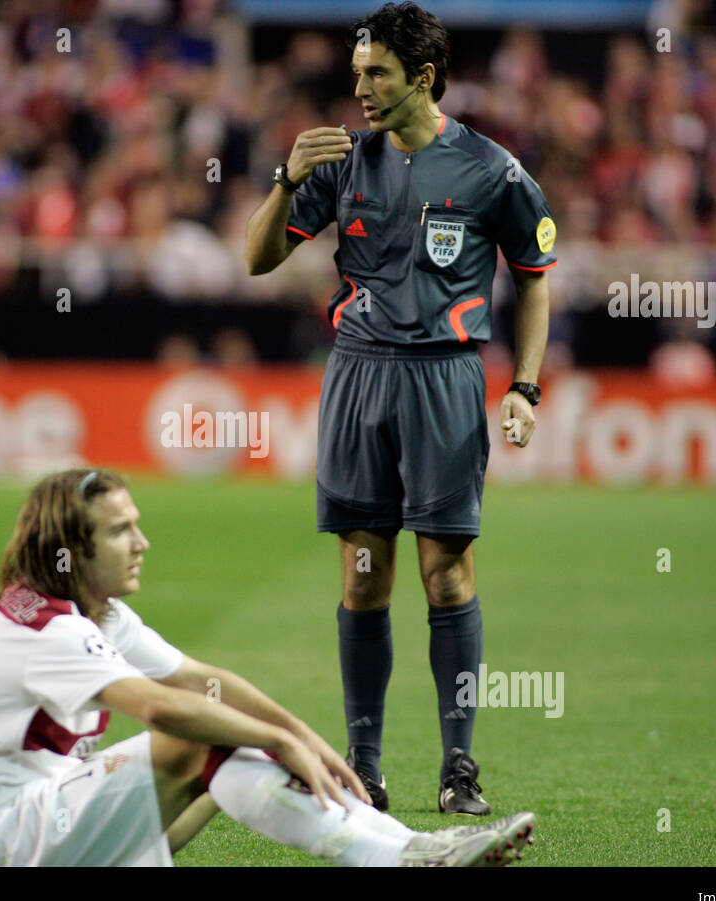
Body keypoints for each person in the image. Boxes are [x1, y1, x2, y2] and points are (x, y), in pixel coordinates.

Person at [244, 3, 556, 815]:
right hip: (357, 377)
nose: (361, 89)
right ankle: (365, 766)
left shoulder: (491, 169)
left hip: (445, 380)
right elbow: (257, 258)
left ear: (422, 76)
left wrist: (523, 385)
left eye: (376, 73)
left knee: (447, 574)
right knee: (364, 577)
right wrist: (285, 179)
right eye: (356, 73)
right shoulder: (343, 161)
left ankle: (459, 768)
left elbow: (533, 275)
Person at [0, 467, 537, 866]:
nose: (142, 543)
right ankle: (404, 858)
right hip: (12, 841)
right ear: (72, 550)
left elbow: (205, 682)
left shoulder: (88, 613)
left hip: (48, 826)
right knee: (202, 741)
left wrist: (301, 737)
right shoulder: (45, 630)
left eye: (137, 525)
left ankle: (412, 848)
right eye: (119, 532)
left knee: (227, 751)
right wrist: (274, 738)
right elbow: (163, 708)